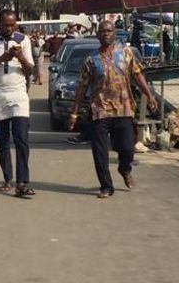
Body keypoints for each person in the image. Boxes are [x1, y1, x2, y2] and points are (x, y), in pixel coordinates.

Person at [68, 20, 159, 199]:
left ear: (115, 33)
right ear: (98, 34)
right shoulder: (91, 60)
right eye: (102, 31)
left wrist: (149, 95)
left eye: (109, 31)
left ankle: (124, 169)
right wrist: (74, 111)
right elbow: (82, 86)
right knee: (100, 151)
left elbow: (137, 74)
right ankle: (106, 186)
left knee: (127, 148)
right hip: (100, 110)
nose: (106, 34)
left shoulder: (126, 54)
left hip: (123, 108)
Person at [0, 10, 35, 198]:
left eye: (12, 25)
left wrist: (20, 57)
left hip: (18, 95)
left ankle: (22, 182)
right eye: (5, 25)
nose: (9, 29)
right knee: (2, 141)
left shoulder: (23, 40)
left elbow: (30, 70)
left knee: (21, 140)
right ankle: (8, 178)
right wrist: (2, 58)